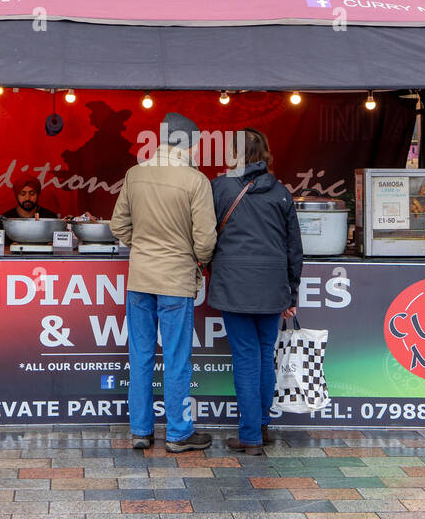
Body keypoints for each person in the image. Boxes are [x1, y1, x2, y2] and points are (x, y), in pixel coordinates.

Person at [111, 113, 216, 453]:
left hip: (139, 278)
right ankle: (178, 433)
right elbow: (205, 239)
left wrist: (141, 247)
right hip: (176, 280)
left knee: (139, 356)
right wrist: (195, 258)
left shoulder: (134, 174)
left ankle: (141, 431)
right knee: (176, 358)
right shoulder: (195, 180)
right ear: (187, 142)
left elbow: (118, 225)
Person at [207, 128, 303, 455]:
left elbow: (205, 236)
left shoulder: (218, 188)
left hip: (234, 285)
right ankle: (261, 424)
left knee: (246, 357)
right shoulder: (282, 193)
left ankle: (250, 436)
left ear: (233, 154)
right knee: (264, 356)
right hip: (272, 287)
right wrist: (291, 292)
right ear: (264, 153)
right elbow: (294, 248)